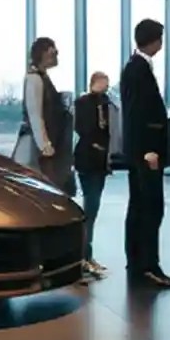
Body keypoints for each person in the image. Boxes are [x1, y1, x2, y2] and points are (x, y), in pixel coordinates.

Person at [120, 19, 170, 289]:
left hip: (142, 152)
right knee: (149, 208)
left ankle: (137, 264)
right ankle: (147, 266)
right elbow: (136, 114)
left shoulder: (137, 67)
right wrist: (148, 149)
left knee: (139, 207)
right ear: (156, 40)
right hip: (146, 153)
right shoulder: (137, 69)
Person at [12, 37, 69, 189]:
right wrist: (44, 145)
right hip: (34, 145)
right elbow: (35, 114)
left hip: (38, 143)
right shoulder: (35, 79)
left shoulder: (41, 77)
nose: (56, 56)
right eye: (53, 52)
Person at [74, 71, 113, 279]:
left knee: (94, 207)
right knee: (90, 205)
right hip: (87, 159)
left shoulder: (107, 104)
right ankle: (83, 255)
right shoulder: (83, 103)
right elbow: (84, 128)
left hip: (101, 162)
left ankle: (87, 254)